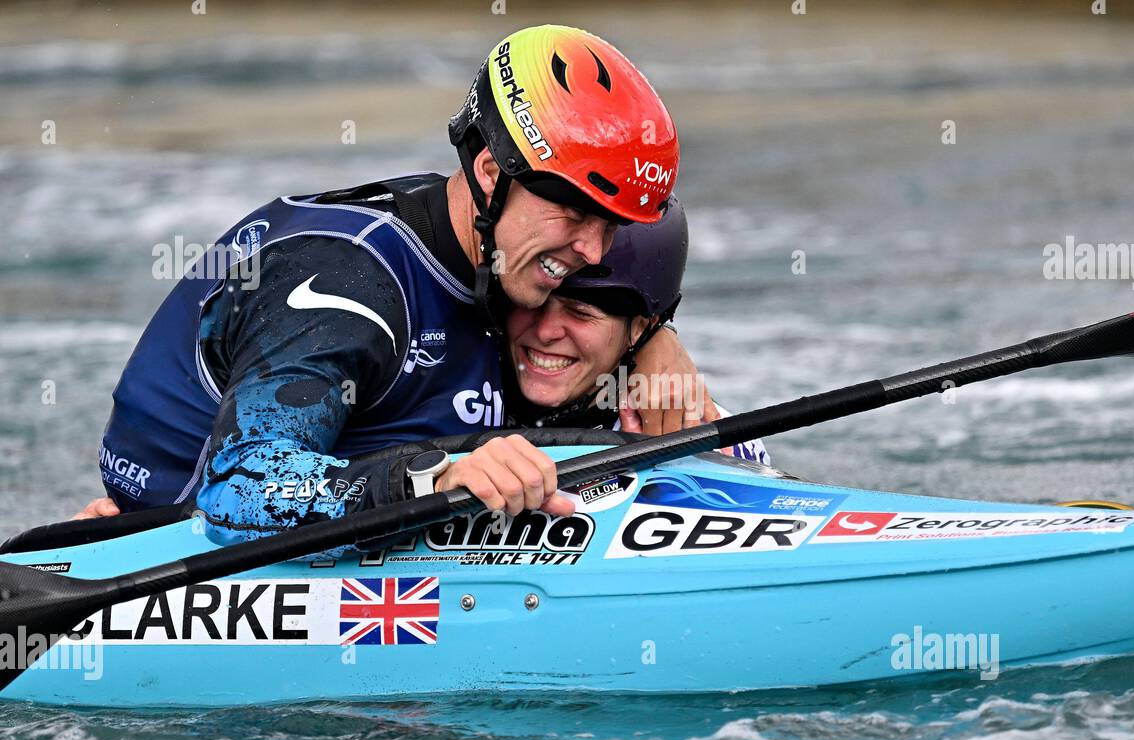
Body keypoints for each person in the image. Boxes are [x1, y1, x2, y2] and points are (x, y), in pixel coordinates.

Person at [86, 25, 716, 538]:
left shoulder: (499, 249)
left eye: (611, 229)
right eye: (577, 216)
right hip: (172, 550)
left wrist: (652, 338)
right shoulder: (344, 286)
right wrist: (435, 481)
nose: (591, 251)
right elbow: (237, 492)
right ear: (492, 175)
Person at [499, 194, 771, 464]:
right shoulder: (460, 367)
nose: (546, 332)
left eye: (579, 313)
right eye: (532, 304)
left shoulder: (709, 444)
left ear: (642, 328)